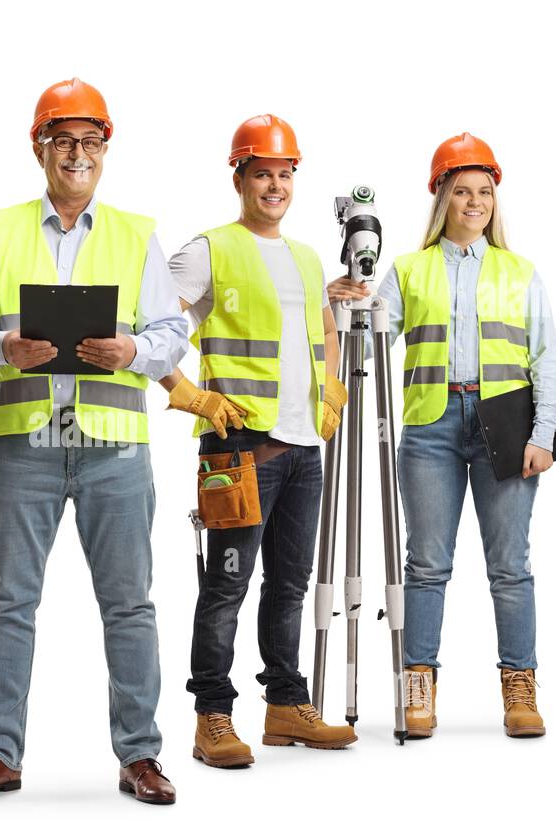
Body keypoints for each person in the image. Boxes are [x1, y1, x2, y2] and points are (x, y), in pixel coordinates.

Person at [0, 78, 188, 804]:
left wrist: (132, 353)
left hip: (113, 447)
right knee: (9, 604)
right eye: (63, 141)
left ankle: (140, 755)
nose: (77, 155)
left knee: (130, 606)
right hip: (23, 446)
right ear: (39, 148)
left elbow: (172, 333)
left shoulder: (137, 233)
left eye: (90, 143)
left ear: (104, 151)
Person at [328, 132, 556, 738]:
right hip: (431, 428)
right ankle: (419, 684)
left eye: (484, 191)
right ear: (441, 197)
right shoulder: (409, 270)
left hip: (507, 429)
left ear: (495, 200)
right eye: (462, 190)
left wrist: (544, 433)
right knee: (428, 563)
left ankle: (520, 686)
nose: (474, 201)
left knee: (510, 567)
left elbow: (548, 359)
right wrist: (339, 301)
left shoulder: (520, 272)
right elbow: (366, 330)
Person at [163, 114, 356, 769]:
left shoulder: (303, 256)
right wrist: (191, 392)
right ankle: (212, 716)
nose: (275, 185)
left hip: (304, 449)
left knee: (290, 585)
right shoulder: (208, 250)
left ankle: (284, 706)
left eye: (284, 174)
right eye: (263, 172)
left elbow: (323, 326)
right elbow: (153, 323)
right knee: (226, 587)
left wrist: (330, 385)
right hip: (239, 445)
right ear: (239, 175)